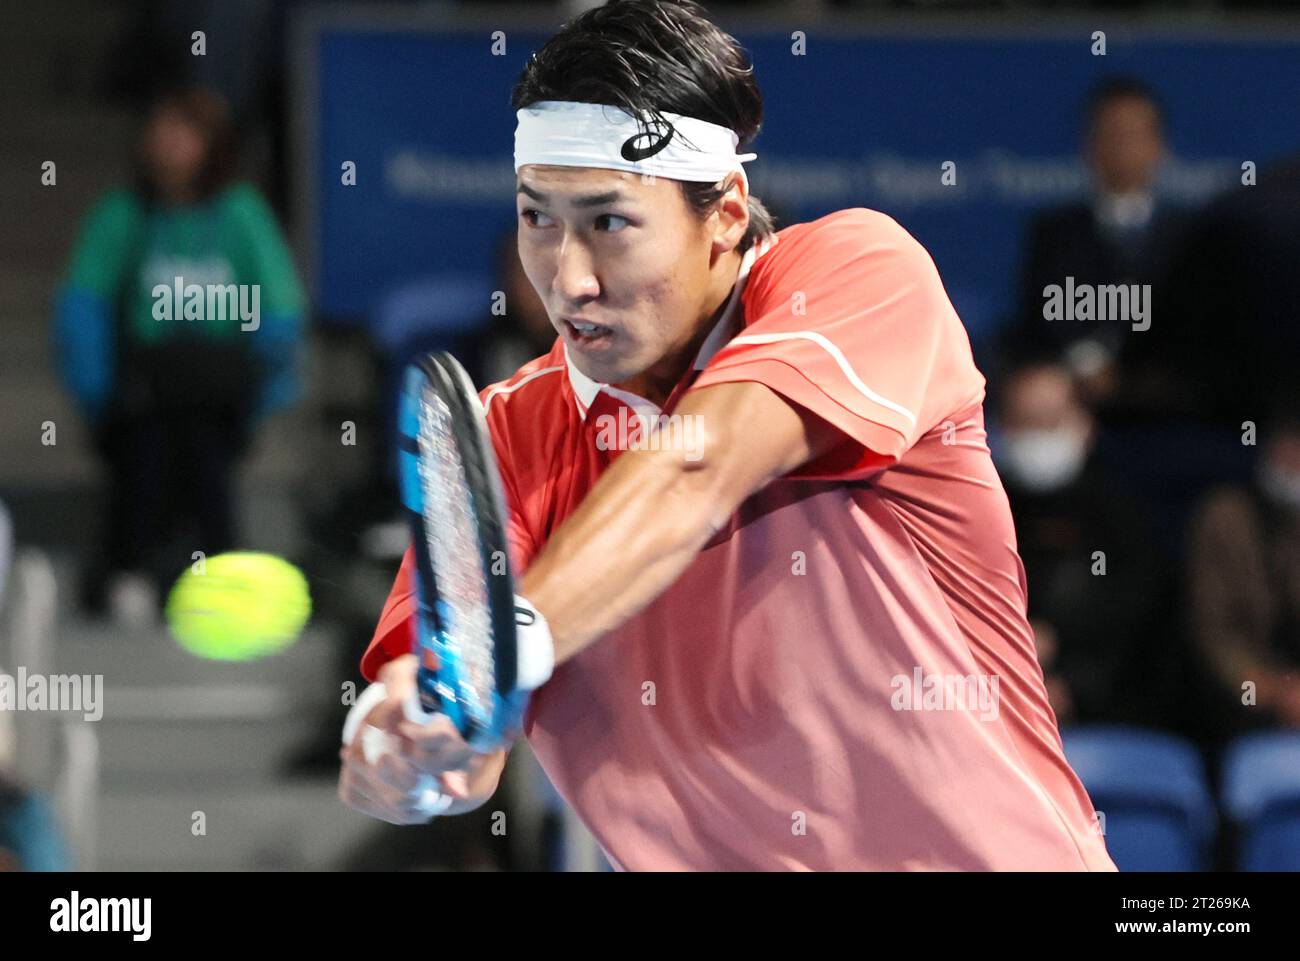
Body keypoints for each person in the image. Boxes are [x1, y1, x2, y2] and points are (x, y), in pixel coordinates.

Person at [340, 0, 1114, 871]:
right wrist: (403, 746)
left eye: (609, 222)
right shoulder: (507, 436)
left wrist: (510, 644)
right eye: (536, 218)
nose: (568, 277)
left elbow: (698, 465)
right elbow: (462, 731)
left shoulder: (862, 275)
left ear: (727, 211)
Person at [53, 86, 305, 621]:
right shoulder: (124, 214)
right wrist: (96, 392)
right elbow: (83, 302)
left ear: (211, 145)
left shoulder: (240, 214)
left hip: (217, 395)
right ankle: (132, 574)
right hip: (142, 395)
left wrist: (267, 390)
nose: (169, 145)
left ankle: (216, 580)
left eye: (185, 133)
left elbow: (280, 304)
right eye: (161, 131)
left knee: (204, 462)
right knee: (145, 461)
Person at [993, 361, 1170, 727]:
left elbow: (1139, 619)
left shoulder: (1120, 513)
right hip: (995, 697)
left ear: (1084, 425)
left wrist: (1073, 686)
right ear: (1002, 428)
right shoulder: (979, 510)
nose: (1038, 435)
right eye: (1026, 422)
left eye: (1050, 421)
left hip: (1107, 711)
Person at [1008, 77, 1189, 405]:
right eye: (1112, 135)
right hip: (1072, 398)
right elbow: (1040, 318)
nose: (1123, 148)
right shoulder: (1054, 233)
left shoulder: (1191, 235)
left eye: (1135, 135)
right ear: (1089, 146)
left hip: (1166, 400)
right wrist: (1086, 362)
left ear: (1160, 146)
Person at [1187, 394, 1300, 735]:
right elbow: (1211, 629)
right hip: (1241, 708)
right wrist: (1271, 691)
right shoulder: (1226, 517)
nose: (1295, 460)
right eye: (1289, 445)